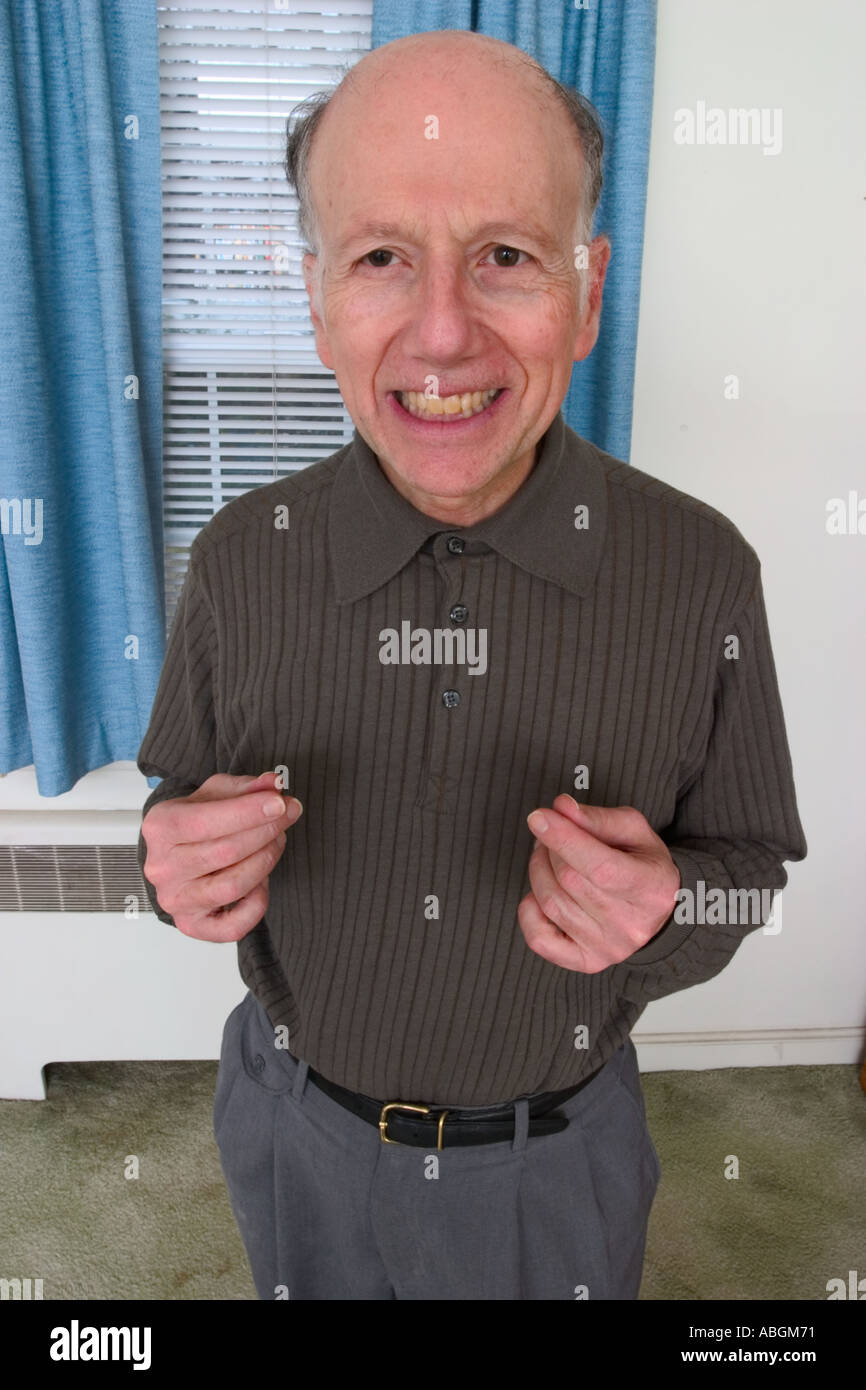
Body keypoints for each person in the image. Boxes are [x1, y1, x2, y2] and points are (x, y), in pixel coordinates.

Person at [137, 30, 806, 1301]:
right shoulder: (237, 557)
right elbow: (173, 817)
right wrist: (173, 870)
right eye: (381, 257)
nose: (441, 336)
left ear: (588, 289)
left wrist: (665, 911)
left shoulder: (702, 570)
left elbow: (748, 871)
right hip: (292, 1138)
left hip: (552, 1168)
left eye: (504, 256)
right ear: (318, 294)